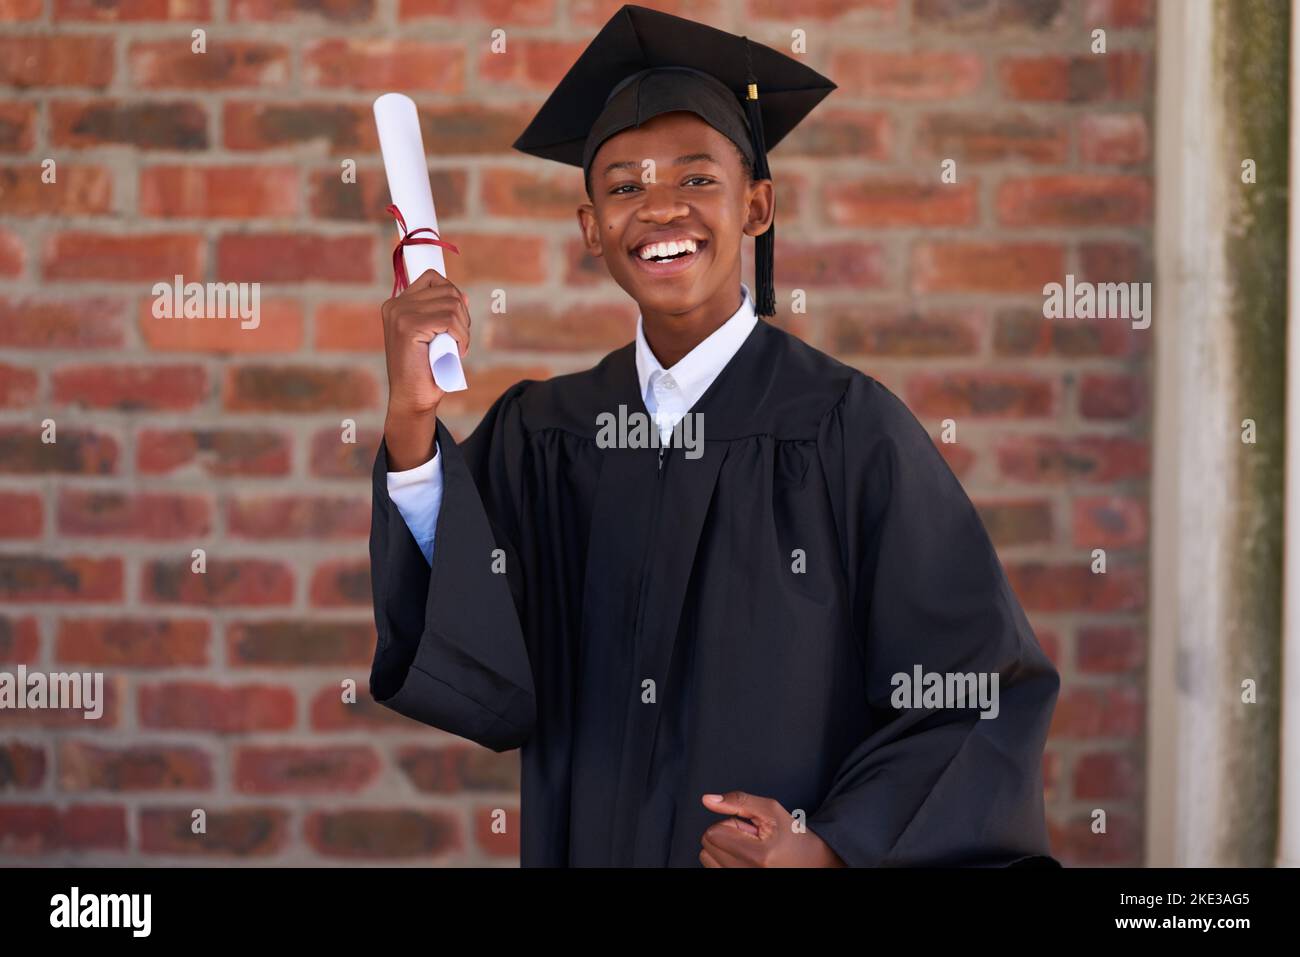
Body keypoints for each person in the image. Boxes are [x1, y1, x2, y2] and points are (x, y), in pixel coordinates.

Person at [370, 4, 1060, 867]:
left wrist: (830, 847)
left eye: (697, 179)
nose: (660, 208)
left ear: (757, 206)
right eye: (623, 187)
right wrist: (412, 420)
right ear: (592, 230)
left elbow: (976, 687)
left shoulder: (845, 429)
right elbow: (482, 662)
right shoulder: (547, 435)